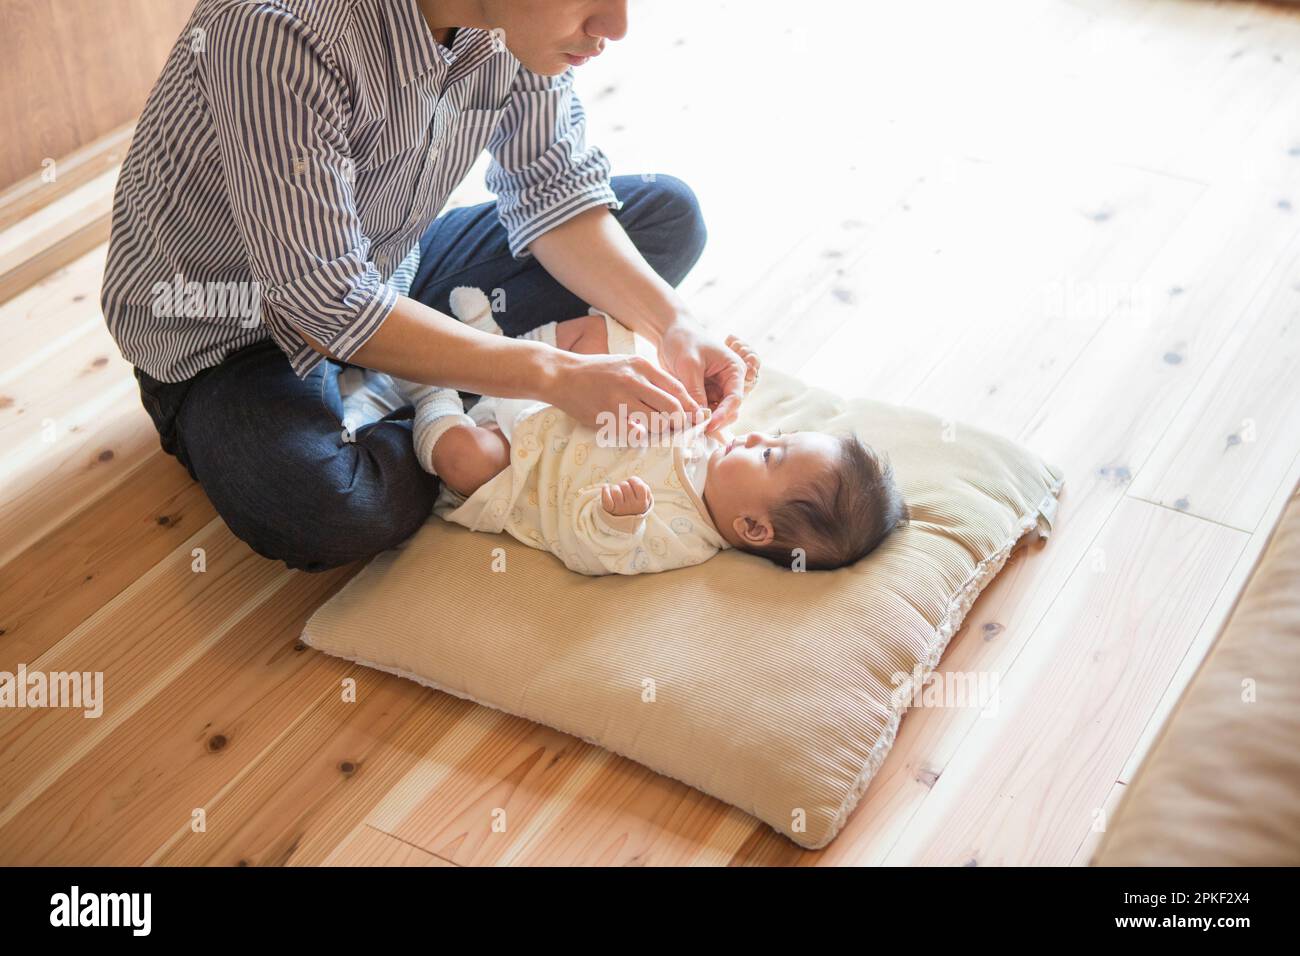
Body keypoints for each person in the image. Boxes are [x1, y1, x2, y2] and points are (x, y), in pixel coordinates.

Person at [100, 0, 747, 571]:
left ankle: (440, 383)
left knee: (668, 217)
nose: (617, 25)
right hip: (235, 340)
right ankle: (456, 411)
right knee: (332, 510)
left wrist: (675, 326)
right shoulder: (277, 29)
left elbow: (557, 190)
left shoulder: (511, 25)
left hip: (389, 265)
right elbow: (326, 304)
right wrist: (551, 377)